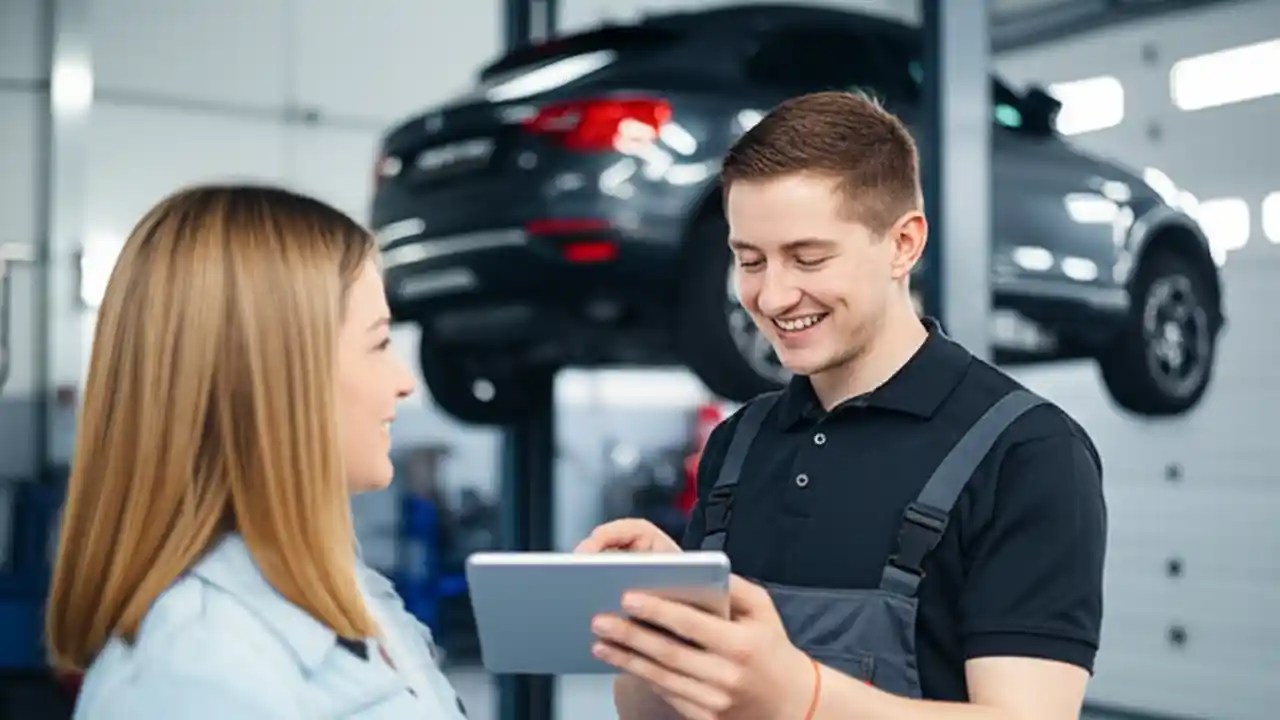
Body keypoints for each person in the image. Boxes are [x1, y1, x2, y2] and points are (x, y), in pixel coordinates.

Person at [576, 91, 1108, 719]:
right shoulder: (738, 445)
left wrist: (801, 699)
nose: (772, 296)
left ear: (903, 244)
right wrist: (663, 618)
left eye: (808, 258)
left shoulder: (1027, 454)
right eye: (749, 261)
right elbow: (652, 716)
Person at [45, 185, 470, 719]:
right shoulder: (198, 671)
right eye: (379, 343)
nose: (404, 382)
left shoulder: (351, 597)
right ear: (281, 377)